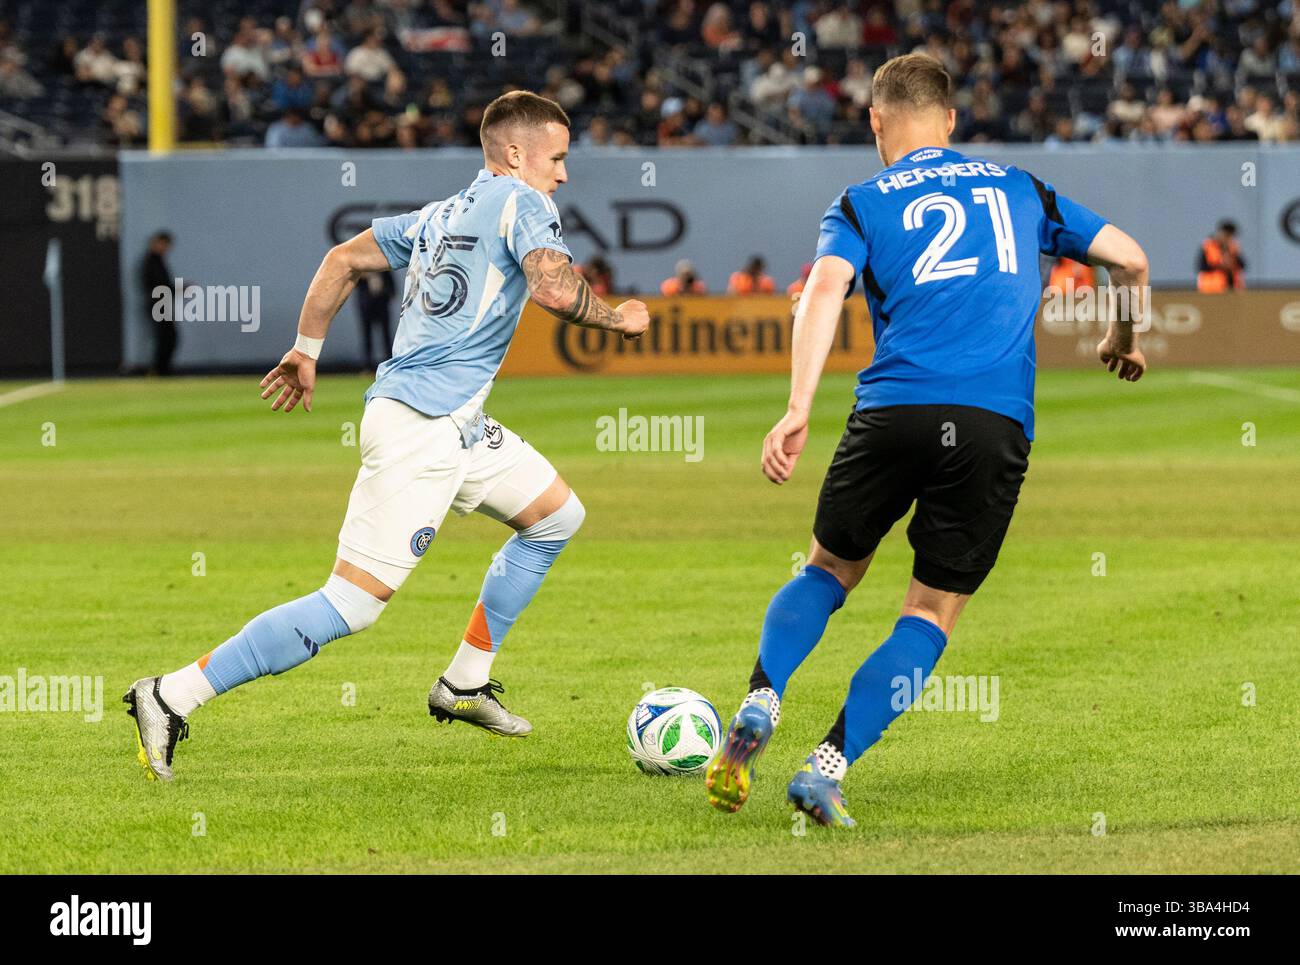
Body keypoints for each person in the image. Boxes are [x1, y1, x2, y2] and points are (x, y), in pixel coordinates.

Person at [124, 91, 650, 781]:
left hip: (457, 423)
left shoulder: (439, 216)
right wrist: (622, 318)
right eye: (557, 158)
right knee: (351, 604)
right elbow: (553, 289)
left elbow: (343, 257)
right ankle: (168, 693)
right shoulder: (525, 204)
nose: (563, 174)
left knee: (555, 517)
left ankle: (463, 682)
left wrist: (306, 348)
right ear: (516, 154)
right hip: (422, 430)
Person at [705, 53, 1149, 827]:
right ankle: (825, 768)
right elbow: (1131, 258)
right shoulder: (1019, 186)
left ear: (876, 122)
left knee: (829, 570)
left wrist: (796, 406)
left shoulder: (860, 200)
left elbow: (822, 292)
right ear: (950, 119)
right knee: (932, 609)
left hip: (892, 412)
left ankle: (760, 698)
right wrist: (1123, 334)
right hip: (991, 422)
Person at [140, 231, 179, 376]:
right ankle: (160, 370)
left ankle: (162, 369)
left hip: (162, 304)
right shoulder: (151, 261)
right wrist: (177, 290)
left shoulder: (158, 260)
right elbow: (159, 286)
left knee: (168, 336)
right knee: (166, 337)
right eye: (165, 244)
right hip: (158, 304)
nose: (166, 248)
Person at [355, 269, 394, 371]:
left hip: (382, 304)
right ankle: (367, 365)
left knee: (386, 336)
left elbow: (391, 285)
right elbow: (355, 284)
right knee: (367, 336)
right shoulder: (361, 269)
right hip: (366, 306)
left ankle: (390, 363)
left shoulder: (384, 268)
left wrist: (386, 292)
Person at [1196, 219, 1245, 292]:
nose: (1227, 238)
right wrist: (1220, 266)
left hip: (1231, 289)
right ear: (1220, 232)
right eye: (1226, 235)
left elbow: (1243, 265)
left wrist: (1232, 263)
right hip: (1211, 289)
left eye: (1230, 236)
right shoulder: (1207, 246)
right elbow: (1202, 267)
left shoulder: (1232, 248)